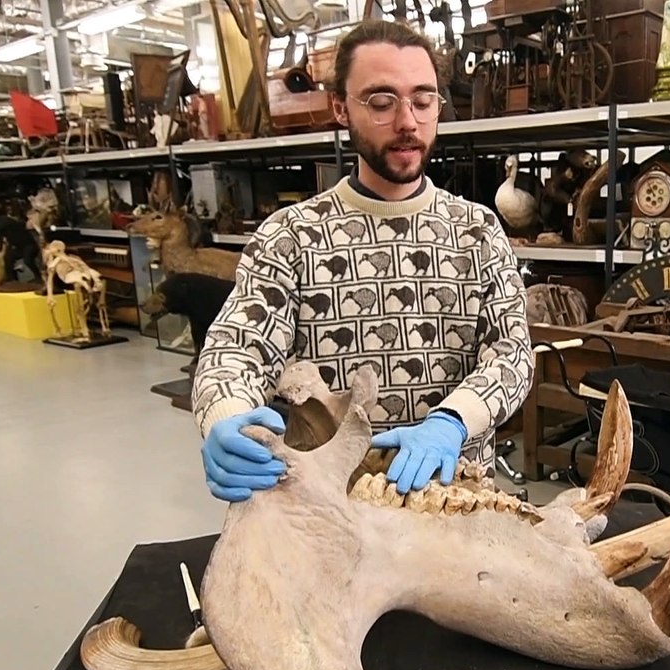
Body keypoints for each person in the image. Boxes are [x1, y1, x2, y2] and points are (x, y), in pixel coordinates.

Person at [192, 19, 534, 502]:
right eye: (380, 101)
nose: (408, 122)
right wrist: (225, 415)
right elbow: (236, 348)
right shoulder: (291, 237)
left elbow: (512, 352)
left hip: (454, 507)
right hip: (328, 512)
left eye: (423, 99)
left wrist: (453, 421)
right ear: (339, 107)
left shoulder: (476, 231)